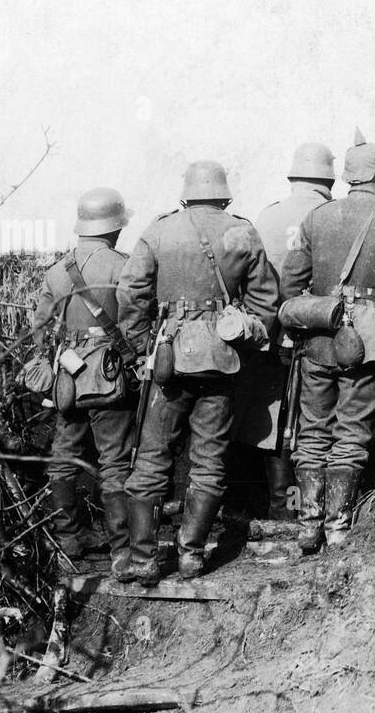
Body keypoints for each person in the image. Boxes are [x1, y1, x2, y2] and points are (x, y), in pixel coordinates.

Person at [113, 160, 279, 585]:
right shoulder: (242, 232)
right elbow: (266, 303)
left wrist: (140, 346)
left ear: (186, 193)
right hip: (222, 360)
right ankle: (191, 556)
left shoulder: (159, 230)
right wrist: (241, 332)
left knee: (151, 458)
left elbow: (130, 293)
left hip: (168, 358)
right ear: (224, 194)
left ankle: (145, 558)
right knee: (209, 460)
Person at [279, 129, 375, 552]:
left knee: (311, 432)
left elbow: (291, 284)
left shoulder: (315, 219)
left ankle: (309, 526)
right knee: (350, 435)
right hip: (367, 341)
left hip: (318, 338)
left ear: (348, 177)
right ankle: (339, 529)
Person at [225, 142, 337, 523]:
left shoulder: (266, 216)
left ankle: (258, 505)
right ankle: (291, 506)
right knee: (307, 422)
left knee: (266, 418)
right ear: (329, 179)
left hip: (266, 334)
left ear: (293, 177)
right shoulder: (328, 216)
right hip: (316, 334)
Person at [31, 187, 135, 569]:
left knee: (63, 458)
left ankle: (68, 540)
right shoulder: (123, 266)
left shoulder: (56, 271)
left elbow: (39, 326)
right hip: (108, 375)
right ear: (115, 227)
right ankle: (121, 548)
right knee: (115, 462)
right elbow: (136, 321)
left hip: (68, 377)